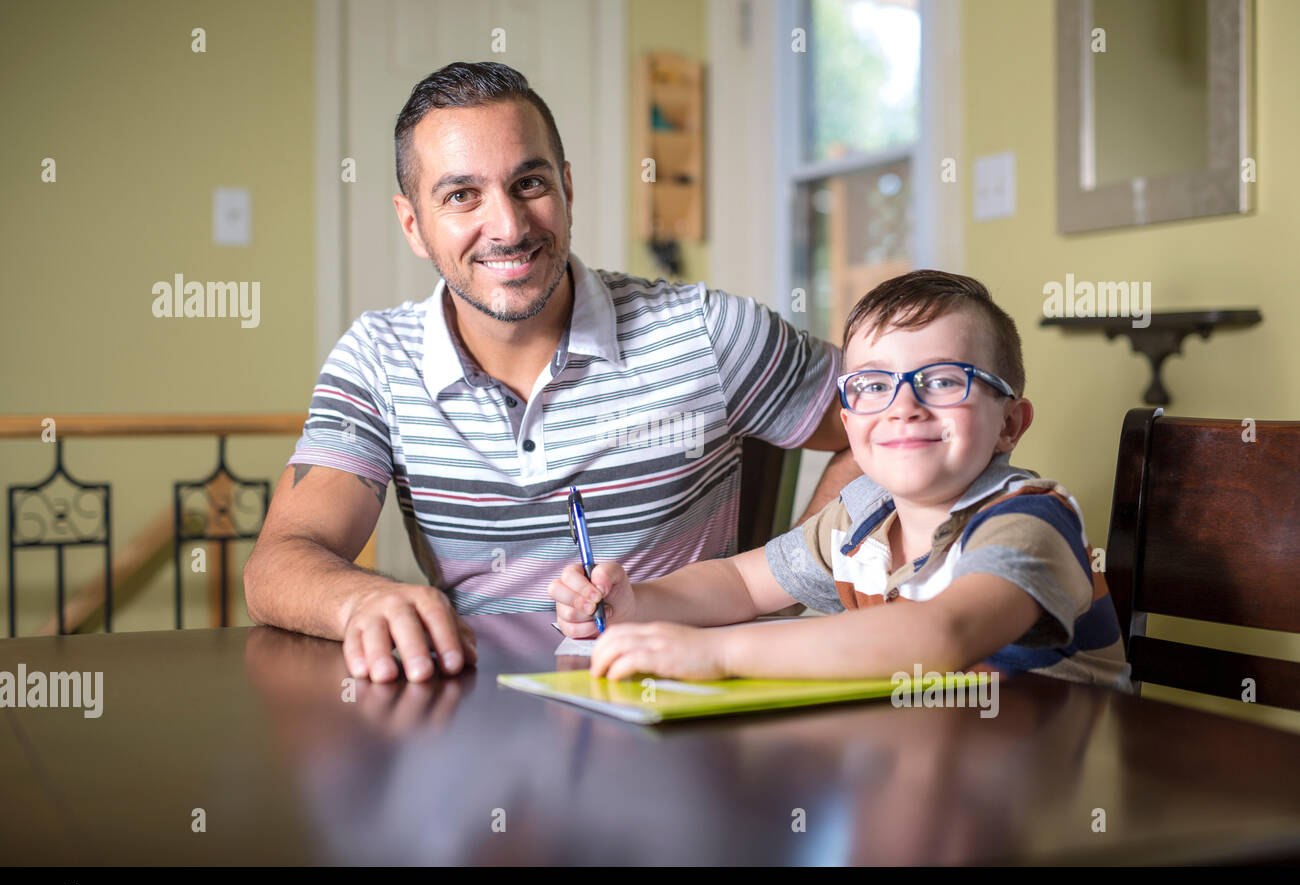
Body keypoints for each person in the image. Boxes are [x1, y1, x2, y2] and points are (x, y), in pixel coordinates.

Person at [243, 62, 859, 684]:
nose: (509, 228)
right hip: (475, 714)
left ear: (566, 187)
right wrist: (363, 600)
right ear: (413, 225)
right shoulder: (378, 359)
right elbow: (280, 562)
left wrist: (786, 580)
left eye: (529, 183)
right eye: (462, 196)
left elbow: (890, 423)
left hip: (683, 712)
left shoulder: (709, 330)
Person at [551, 270, 1133, 691]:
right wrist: (638, 603)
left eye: (942, 380)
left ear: (1010, 423)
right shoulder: (862, 518)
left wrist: (717, 652)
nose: (903, 407)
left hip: (1057, 793)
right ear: (850, 424)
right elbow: (741, 583)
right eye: (875, 386)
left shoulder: (1029, 521)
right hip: (945, 774)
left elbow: (940, 635)